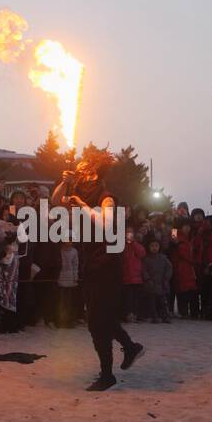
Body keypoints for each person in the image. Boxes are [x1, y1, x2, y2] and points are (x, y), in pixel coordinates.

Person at [52, 160, 144, 392]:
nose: (81, 174)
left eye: (85, 170)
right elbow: (55, 202)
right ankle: (129, 347)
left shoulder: (106, 197)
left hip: (107, 266)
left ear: (94, 175)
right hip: (91, 264)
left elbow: (105, 222)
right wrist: (64, 183)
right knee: (99, 317)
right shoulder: (78, 195)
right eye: (80, 171)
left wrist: (81, 204)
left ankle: (108, 374)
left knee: (96, 321)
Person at [142, 238, 172, 323]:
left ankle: (165, 316)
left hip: (162, 283)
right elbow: (144, 270)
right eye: (152, 246)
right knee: (152, 303)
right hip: (151, 284)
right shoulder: (146, 259)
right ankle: (154, 317)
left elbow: (169, 268)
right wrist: (147, 279)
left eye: (156, 246)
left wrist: (166, 278)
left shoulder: (163, 258)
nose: (154, 248)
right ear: (149, 247)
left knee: (163, 302)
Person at [121, 227, 146, 322]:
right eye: (127, 233)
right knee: (127, 298)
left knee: (135, 298)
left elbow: (142, 253)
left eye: (130, 233)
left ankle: (135, 314)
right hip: (125, 276)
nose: (129, 235)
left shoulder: (137, 245)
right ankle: (127, 314)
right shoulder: (121, 246)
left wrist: (133, 243)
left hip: (136, 277)